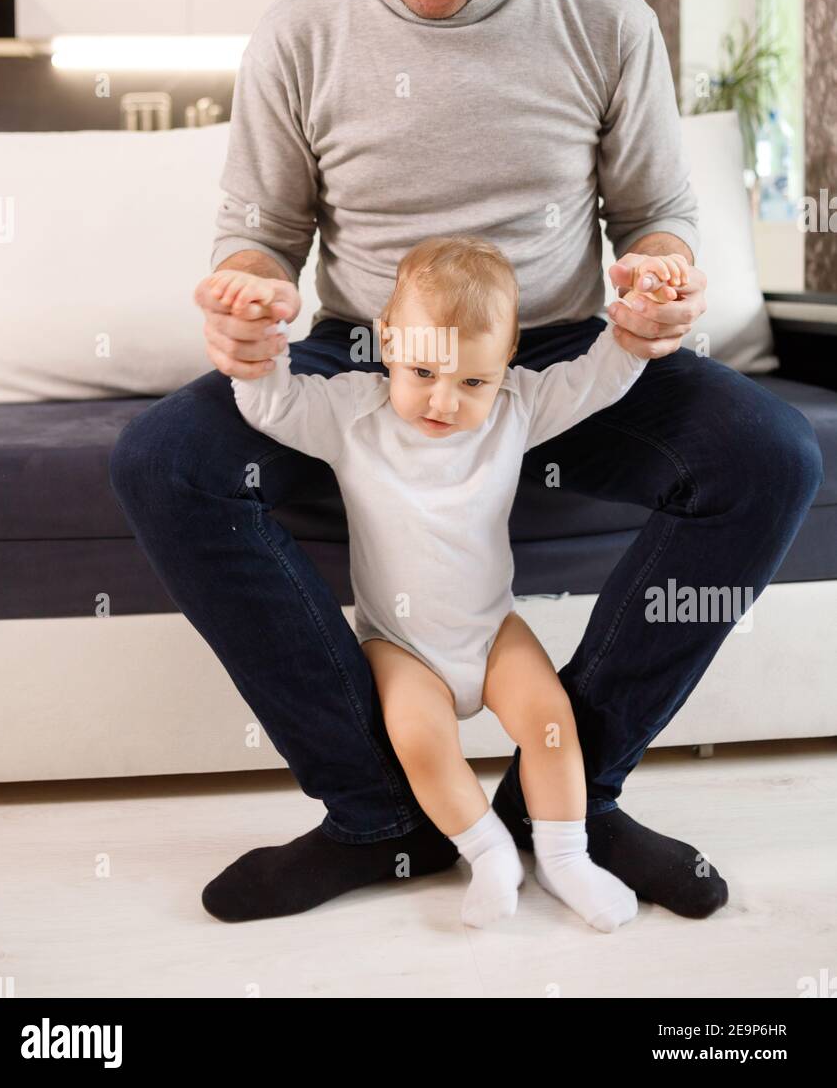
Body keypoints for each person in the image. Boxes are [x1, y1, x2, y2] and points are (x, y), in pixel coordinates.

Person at [109, 0, 824, 924]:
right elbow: (260, 235)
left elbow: (657, 209)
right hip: (369, 359)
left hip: (554, 354)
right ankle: (378, 816)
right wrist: (248, 298)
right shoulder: (298, 31)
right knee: (164, 459)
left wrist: (656, 274)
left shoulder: (603, 18)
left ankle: (571, 800)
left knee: (768, 456)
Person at [214, 237, 687, 930]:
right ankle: (486, 849)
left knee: (552, 725)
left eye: (473, 381)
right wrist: (258, 343)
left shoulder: (516, 407)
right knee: (421, 742)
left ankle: (564, 857)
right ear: (387, 340)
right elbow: (274, 406)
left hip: (493, 630)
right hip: (398, 642)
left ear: (507, 359)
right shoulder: (352, 413)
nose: (444, 399)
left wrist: (641, 315)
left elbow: (599, 378)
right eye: (422, 371)